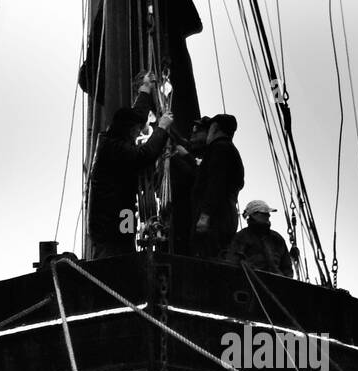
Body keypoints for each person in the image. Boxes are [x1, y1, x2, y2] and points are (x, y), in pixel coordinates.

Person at [88, 73, 174, 258]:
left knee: (127, 243)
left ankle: (128, 255)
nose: (137, 134)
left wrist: (145, 89)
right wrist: (162, 129)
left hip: (124, 211)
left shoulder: (116, 137)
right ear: (127, 129)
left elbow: (137, 114)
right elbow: (144, 155)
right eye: (135, 131)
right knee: (115, 253)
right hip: (109, 219)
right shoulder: (112, 148)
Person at [190, 113, 244, 259]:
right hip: (226, 214)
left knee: (207, 258)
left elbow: (216, 183)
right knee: (217, 256)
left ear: (215, 127)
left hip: (215, 217)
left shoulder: (219, 148)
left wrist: (205, 215)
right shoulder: (230, 150)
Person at [169, 116, 210, 251]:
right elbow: (178, 138)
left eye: (198, 130)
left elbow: (199, 177)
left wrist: (179, 157)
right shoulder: (191, 147)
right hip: (178, 208)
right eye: (194, 129)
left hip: (193, 213)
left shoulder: (210, 154)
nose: (193, 131)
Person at [224, 200, 293, 277]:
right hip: (250, 283)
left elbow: (287, 267)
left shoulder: (277, 238)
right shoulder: (242, 237)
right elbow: (232, 262)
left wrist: (286, 282)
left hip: (278, 283)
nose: (269, 215)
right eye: (264, 213)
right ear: (253, 215)